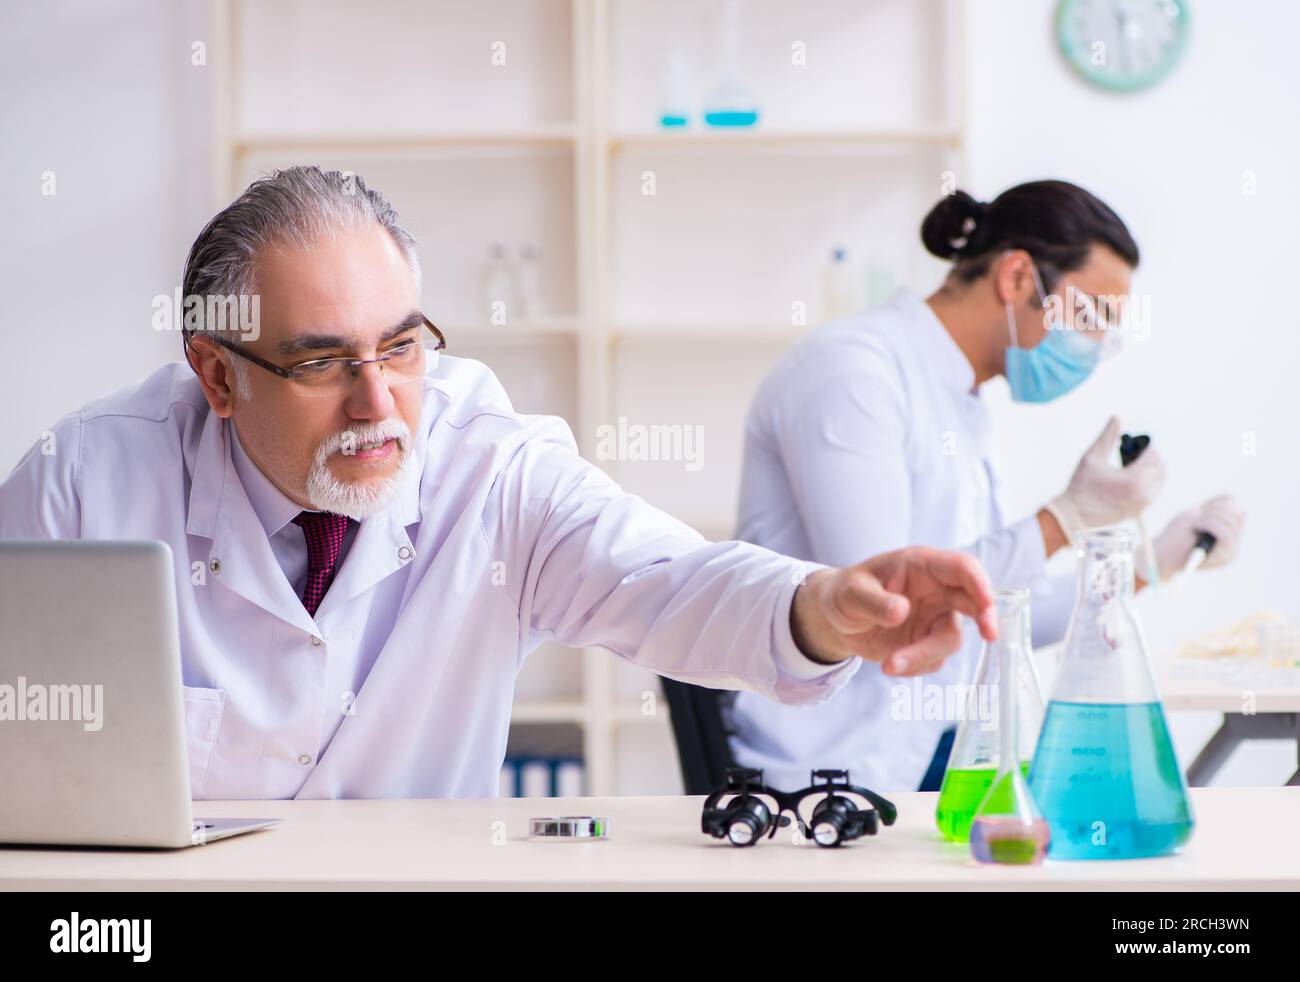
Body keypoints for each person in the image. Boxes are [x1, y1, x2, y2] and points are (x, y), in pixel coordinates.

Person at [0, 166, 999, 800]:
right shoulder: (85, 482)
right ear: (217, 374)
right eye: (321, 362)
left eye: (399, 346)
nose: (377, 402)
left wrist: (818, 601)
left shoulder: (489, 459)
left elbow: (667, 580)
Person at [727, 180, 1245, 791]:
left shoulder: (961, 401)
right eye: (1092, 317)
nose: (1097, 347)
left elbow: (992, 612)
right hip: (836, 769)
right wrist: (1063, 520)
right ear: (1019, 278)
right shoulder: (853, 373)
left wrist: (1149, 561)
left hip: (930, 749)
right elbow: (889, 602)